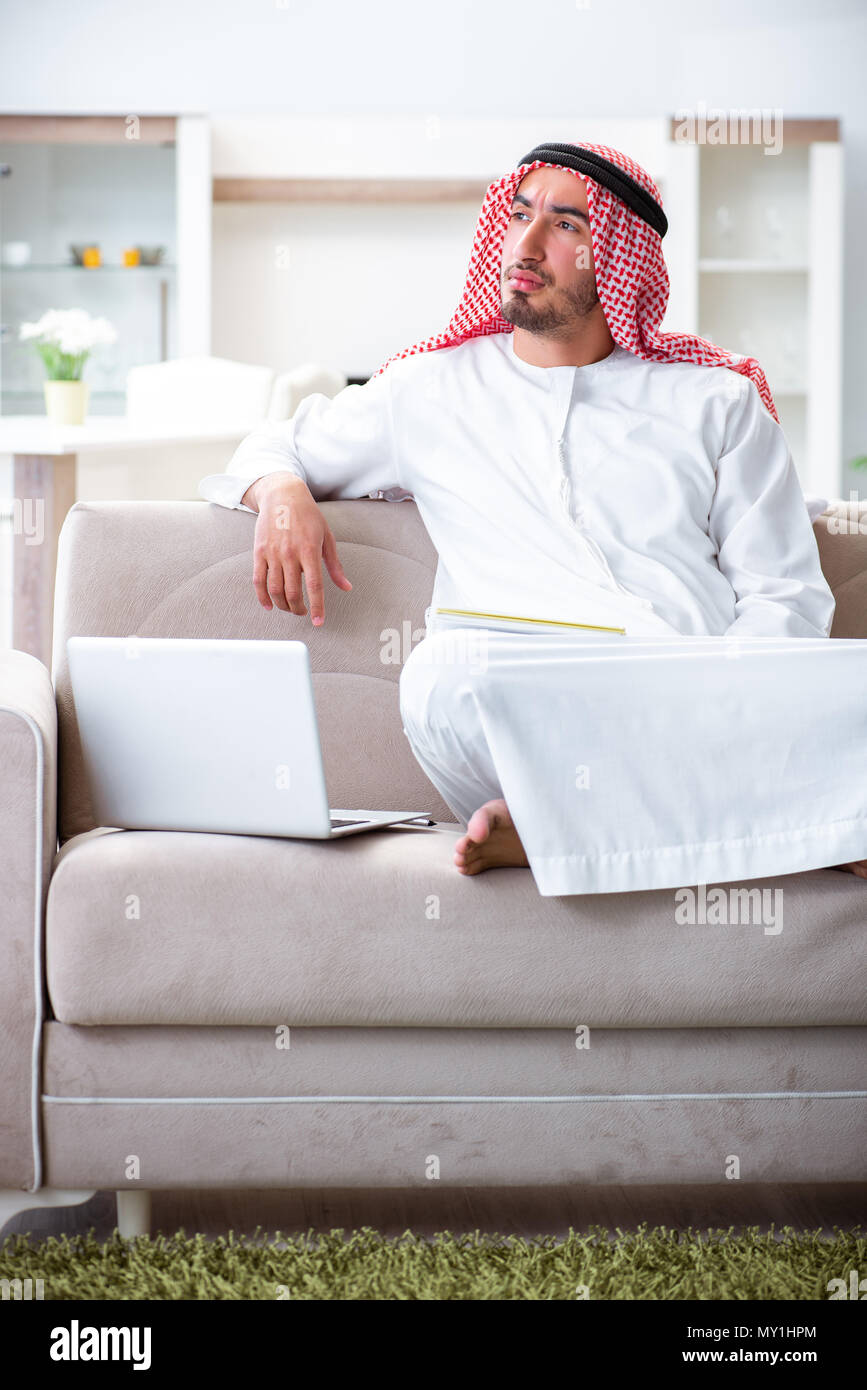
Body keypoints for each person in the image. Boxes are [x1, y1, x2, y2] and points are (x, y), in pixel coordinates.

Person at [199, 139, 867, 893]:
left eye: (566, 226)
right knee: (443, 675)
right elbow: (272, 444)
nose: (524, 243)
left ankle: (564, 830)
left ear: (619, 255)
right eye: (518, 215)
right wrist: (282, 495)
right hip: (521, 687)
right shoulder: (427, 390)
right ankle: (794, 825)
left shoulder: (715, 400)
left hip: (692, 681)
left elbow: (785, 597)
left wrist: (732, 698)